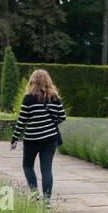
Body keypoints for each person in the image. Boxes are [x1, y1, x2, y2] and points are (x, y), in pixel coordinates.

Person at [9, 69, 66, 206]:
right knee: (46, 169)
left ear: (32, 81)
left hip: (32, 140)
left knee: (27, 166)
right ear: (48, 81)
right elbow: (62, 117)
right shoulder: (54, 98)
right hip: (50, 139)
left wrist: (14, 139)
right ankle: (47, 201)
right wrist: (49, 125)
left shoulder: (28, 99)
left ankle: (34, 194)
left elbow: (22, 121)